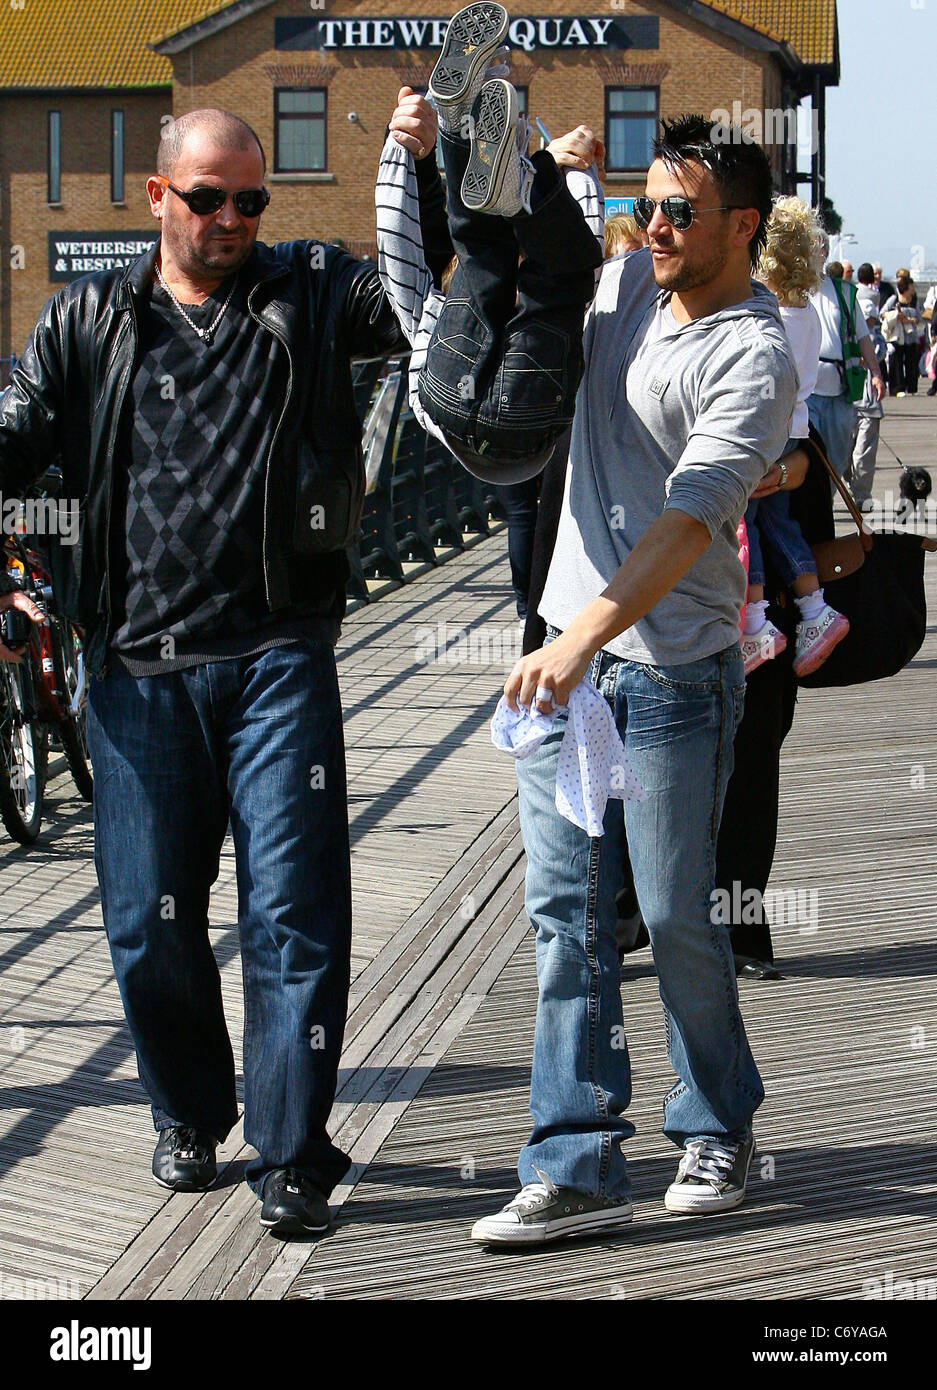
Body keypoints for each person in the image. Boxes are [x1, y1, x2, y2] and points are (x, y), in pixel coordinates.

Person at [0, 107, 424, 1238]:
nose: (232, 219)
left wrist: (420, 166)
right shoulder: (88, 320)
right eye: (207, 198)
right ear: (155, 197)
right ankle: (189, 1107)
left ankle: (293, 1150)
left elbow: (424, 305)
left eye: (251, 200)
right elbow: (16, 429)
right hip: (135, 670)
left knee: (294, 913)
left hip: (276, 655)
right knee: (147, 919)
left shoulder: (315, 292)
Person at [469, 112, 799, 1246]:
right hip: (569, 663)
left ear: (742, 227)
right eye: (645, 206)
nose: (652, 226)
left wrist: (578, 637)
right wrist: (499, 148)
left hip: (669, 676)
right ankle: (573, 1157)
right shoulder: (616, 292)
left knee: (672, 913)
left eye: (678, 212)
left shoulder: (752, 354)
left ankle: (718, 1122)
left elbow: (684, 523)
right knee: (565, 914)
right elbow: (516, 250)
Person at [743, 197, 849, 678]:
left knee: (743, 524)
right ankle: (813, 608)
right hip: (794, 429)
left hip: (762, 429)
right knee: (778, 524)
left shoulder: (761, 310)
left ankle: (755, 623)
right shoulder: (806, 311)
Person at [808, 239, 884, 477]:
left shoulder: (844, 291)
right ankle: (810, 512)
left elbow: (863, 336)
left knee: (837, 459)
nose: (816, 252)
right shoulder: (794, 289)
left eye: (820, 247)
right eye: (811, 246)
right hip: (807, 391)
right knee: (807, 457)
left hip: (840, 388)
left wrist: (876, 374)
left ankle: (825, 508)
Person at [848, 263, 886, 504]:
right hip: (849, 393)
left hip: (868, 397)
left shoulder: (876, 338)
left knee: (863, 450)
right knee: (846, 450)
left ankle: (861, 495)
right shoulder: (848, 330)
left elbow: (881, 349)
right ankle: (854, 489)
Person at [882, 273, 923, 396]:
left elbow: (919, 317)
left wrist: (910, 320)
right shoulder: (894, 299)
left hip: (911, 336)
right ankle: (897, 388)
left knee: (912, 362)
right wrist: (895, 315)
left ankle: (912, 387)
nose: (913, 290)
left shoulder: (914, 300)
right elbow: (882, 313)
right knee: (896, 362)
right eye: (911, 288)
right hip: (897, 335)